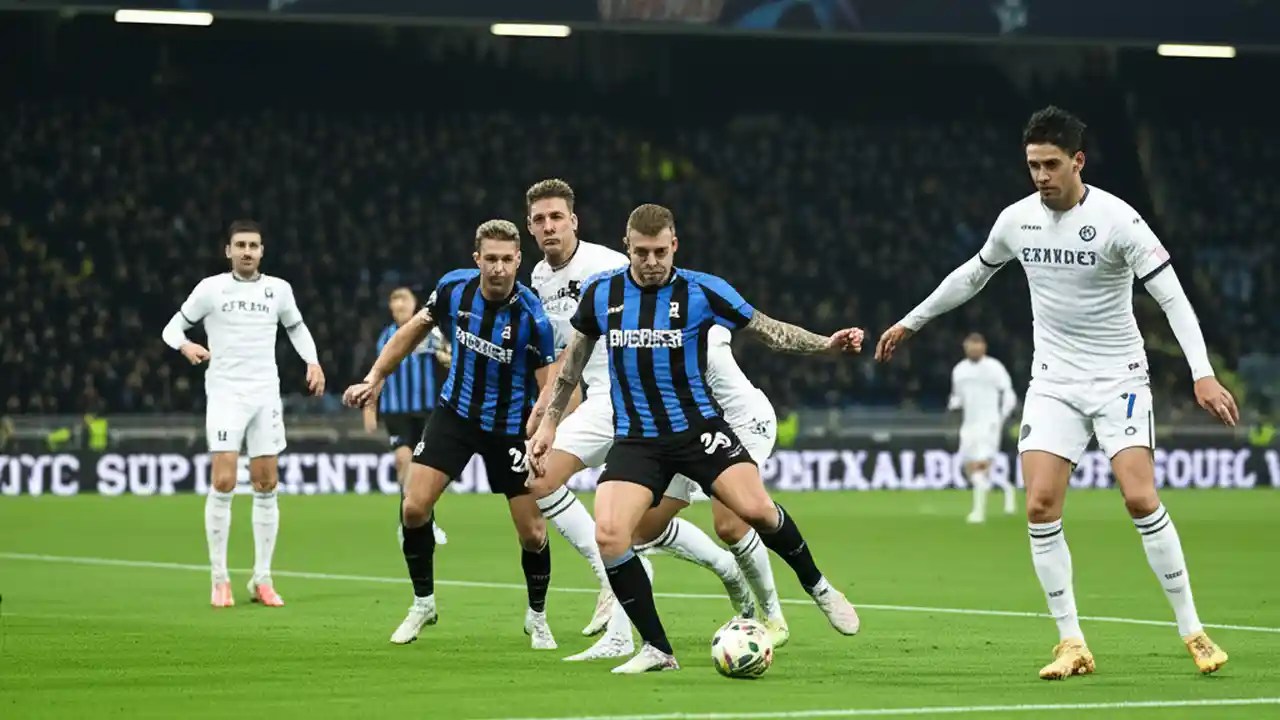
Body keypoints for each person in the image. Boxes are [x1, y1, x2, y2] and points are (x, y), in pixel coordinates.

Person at [875, 106, 1238, 679]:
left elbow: (1171, 297)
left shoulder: (1119, 220)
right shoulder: (1016, 220)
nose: (1040, 176)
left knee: (1140, 499)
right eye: (1033, 165)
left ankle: (1192, 630)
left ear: (1078, 161)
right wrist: (911, 321)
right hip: (1053, 381)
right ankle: (1071, 643)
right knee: (1040, 505)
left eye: (1050, 164)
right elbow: (972, 274)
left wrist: (1202, 371)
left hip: (1118, 377)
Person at [529, 203, 863, 674]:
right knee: (611, 535)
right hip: (638, 440)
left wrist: (826, 344)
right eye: (641, 252)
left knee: (755, 510)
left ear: (674, 246)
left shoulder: (703, 291)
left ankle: (819, 587)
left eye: (660, 252)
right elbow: (572, 365)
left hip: (698, 430)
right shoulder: (602, 293)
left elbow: (769, 331)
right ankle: (658, 649)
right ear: (627, 247)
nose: (651, 261)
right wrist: (549, 423)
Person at [520, 180, 779, 662]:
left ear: (574, 221)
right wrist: (548, 412)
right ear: (530, 226)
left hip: (646, 406)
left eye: (557, 217)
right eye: (539, 219)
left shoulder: (611, 268)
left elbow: (677, 327)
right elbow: (569, 354)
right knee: (541, 481)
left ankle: (625, 598)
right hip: (605, 401)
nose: (549, 226)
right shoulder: (540, 277)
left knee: (676, 525)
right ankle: (635, 583)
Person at [343, 220, 559, 650]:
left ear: (519, 260)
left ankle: (537, 616)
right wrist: (376, 377)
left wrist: (541, 435)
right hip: (455, 415)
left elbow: (547, 386)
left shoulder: (533, 317)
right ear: (477, 259)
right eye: (490, 259)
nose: (498, 268)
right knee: (413, 508)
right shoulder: (453, 289)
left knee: (533, 533)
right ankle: (423, 603)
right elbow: (413, 330)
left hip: (509, 427)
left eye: (507, 260)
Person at [161, 219, 326, 609]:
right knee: (223, 481)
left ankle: (262, 578)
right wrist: (186, 346)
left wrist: (313, 362)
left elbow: (297, 328)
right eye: (240, 245)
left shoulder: (278, 290)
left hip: (265, 395)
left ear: (262, 251)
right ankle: (219, 578)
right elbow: (171, 329)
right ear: (228, 251)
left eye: (253, 245)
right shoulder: (210, 289)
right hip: (225, 394)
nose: (247, 251)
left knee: (266, 483)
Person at [365, 287, 451, 546]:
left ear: (414, 304)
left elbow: (452, 359)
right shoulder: (386, 336)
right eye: (395, 300)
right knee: (404, 462)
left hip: (426, 411)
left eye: (404, 300)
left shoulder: (430, 332)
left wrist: (445, 357)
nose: (400, 305)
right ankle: (408, 521)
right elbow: (377, 372)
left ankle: (425, 519)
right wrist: (370, 407)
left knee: (424, 470)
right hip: (396, 411)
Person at [947, 332, 1017, 523]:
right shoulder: (959, 370)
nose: (974, 348)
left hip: (989, 424)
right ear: (965, 347)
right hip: (969, 425)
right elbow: (957, 397)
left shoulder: (994, 367)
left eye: (978, 345)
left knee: (981, 465)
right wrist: (953, 408)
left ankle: (978, 512)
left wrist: (1002, 417)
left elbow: (1008, 393)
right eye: (971, 345)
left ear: (984, 347)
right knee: (969, 468)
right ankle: (1007, 489)